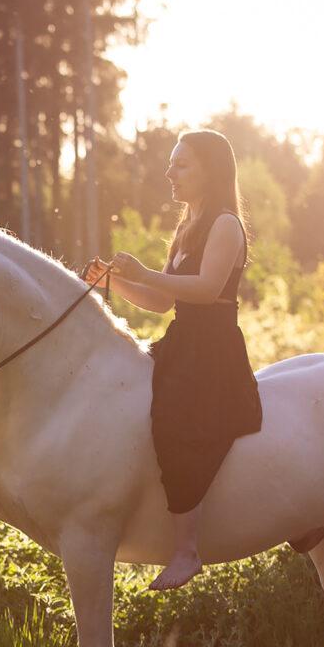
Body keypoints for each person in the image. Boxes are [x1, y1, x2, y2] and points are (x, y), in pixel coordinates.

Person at [84, 129, 263, 591]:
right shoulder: (187, 226)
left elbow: (206, 289)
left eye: (181, 165)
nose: (169, 173)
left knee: (173, 421)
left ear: (211, 171)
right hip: (182, 340)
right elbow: (163, 302)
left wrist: (144, 271)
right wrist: (114, 282)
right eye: (172, 164)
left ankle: (186, 550)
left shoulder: (225, 223)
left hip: (213, 351)